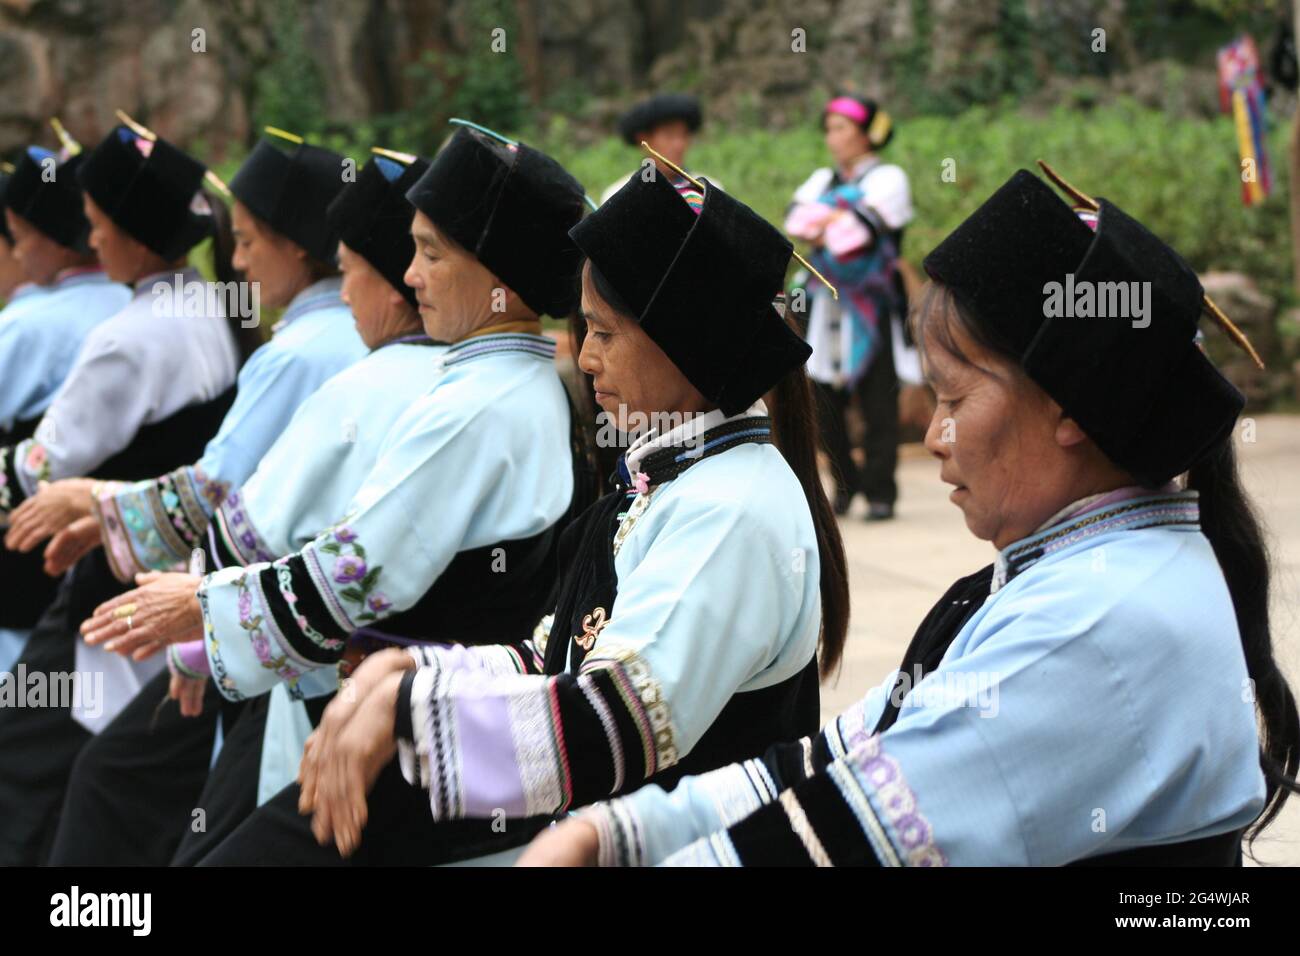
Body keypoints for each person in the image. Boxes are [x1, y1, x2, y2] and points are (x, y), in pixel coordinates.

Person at [518, 165, 1297, 867]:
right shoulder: (1088, 575)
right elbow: (850, 751)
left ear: (1069, 410)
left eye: (956, 399)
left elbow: (846, 835)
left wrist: (619, 840)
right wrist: (626, 834)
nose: (933, 436)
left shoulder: (1094, 621)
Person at [206, 162, 852, 867]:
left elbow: (615, 722)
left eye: (603, 333)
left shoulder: (730, 512)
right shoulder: (669, 486)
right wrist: (407, 675)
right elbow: (550, 656)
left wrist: (406, 716)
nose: (584, 358)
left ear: (683, 343)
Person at [80, 125, 594, 865]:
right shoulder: (519, 382)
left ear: (498, 279)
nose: (408, 276)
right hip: (433, 742)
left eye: (430, 253)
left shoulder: (473, 407)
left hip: (409, 753)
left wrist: (198, 609)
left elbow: (353, 571)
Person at [45, 149, 449, 866]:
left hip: (307, 660)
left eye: (249, 240)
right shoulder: (463, 377)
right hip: (345, 658)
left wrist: (188, 617)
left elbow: (233, 514)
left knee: (122, 790)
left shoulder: (326, 364)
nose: (234, 260)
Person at [0, 120, 350, 865]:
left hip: (175, 589)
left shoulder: (155, 336)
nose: (90, 243)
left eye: (97, 227)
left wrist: (93, 504)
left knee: (57, 765)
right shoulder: (217, 314)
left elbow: (49, 469)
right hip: (226, 597)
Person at [0, 128, 132, 671]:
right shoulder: (130, 301)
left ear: (54, 239)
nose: (18, 252)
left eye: (19, 236)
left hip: (26, 559)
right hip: (110, 552)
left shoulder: (29, 325)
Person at [786, 93, 913, 520]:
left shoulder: (890, 177)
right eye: (829, 128)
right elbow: (794, 222)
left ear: (866, 134)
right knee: (823, 400)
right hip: (828, 304)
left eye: (841, 128)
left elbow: (855, 236)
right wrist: (837, 220)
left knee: (879, 399)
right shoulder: (824, 178)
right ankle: (844, 484)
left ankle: (881, 491)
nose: (832, 137)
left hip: (873, 306)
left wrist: (826, 223)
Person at [600, 93, 719, 203]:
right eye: (669, 135)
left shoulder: (709, 193)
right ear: (643, 140)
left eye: (684, 134)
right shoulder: (616, 197)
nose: (679, 144)